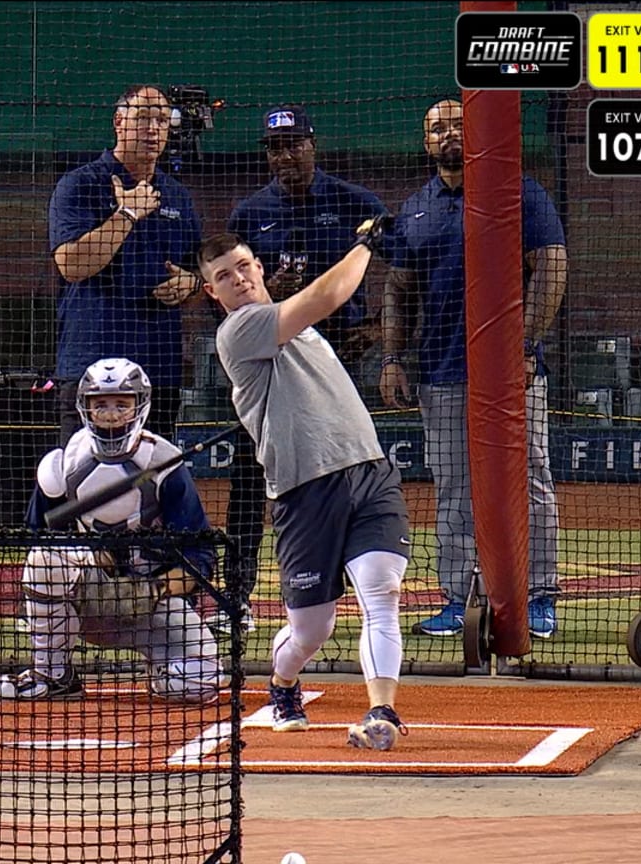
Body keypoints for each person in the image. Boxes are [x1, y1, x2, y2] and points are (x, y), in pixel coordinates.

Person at [199, 223, 413, 750]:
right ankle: (282, 681)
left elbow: (310, 305)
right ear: (212, 292)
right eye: (224, 276)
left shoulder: (292, 323)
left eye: (245, 267)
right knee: (311, 632)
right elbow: (328, 295)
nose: (239, 279)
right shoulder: (238, 331)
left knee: (382, 593)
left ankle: (381, 710)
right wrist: (365, 244)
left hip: (368, 471)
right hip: (304, 492)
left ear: (259, 268)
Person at [380, 97, 568, 640]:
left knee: (530, 478)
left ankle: (539, 596)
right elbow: (397, 286)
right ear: (425, 143)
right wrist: (393, 357)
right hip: (439, 372)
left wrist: (527, 343)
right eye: (435, 127)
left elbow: (551, 264)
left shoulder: (518, 190)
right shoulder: (416, 207)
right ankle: (460, 599)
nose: (447, 134)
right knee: (453, 487)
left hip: (511, 374)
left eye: (458, 123)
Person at [216, 104, 389, 636]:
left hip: (335, 358)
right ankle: (236, 598)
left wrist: (380, 327)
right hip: (271, 359)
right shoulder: (249, 213)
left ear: (313, 144)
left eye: (294, 143)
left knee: (342, 473)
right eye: (274, 147)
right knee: (253, 480)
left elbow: (404, 271)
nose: (285, 155)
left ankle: (351, 593)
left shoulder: (356, 203)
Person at [0, 357, 221, 704]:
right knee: (44, 559)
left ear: (138, 406)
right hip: (86, 600)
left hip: (152, 605)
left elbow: (201, 555)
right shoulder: (63, 464)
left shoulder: (166, 464)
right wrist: (87, 554)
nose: (111, 413)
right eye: (100, 404)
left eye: (121, 404)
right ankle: (53, 674)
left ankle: (162, 671)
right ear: (85, 407)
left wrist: (155, 588)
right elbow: (37, 537)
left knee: (197, 685)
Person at [48, 84, 203, 444]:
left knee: (155, 484)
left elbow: (201, 273)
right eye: (143, 118)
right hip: (92, 364)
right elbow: (71, 265)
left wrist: (191, 284)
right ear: (119, 121)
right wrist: (128, 213)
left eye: (163, 120)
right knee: (85, 483)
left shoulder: (177, 194)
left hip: (159, 368)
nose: (154, 129)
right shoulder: (81, 184)